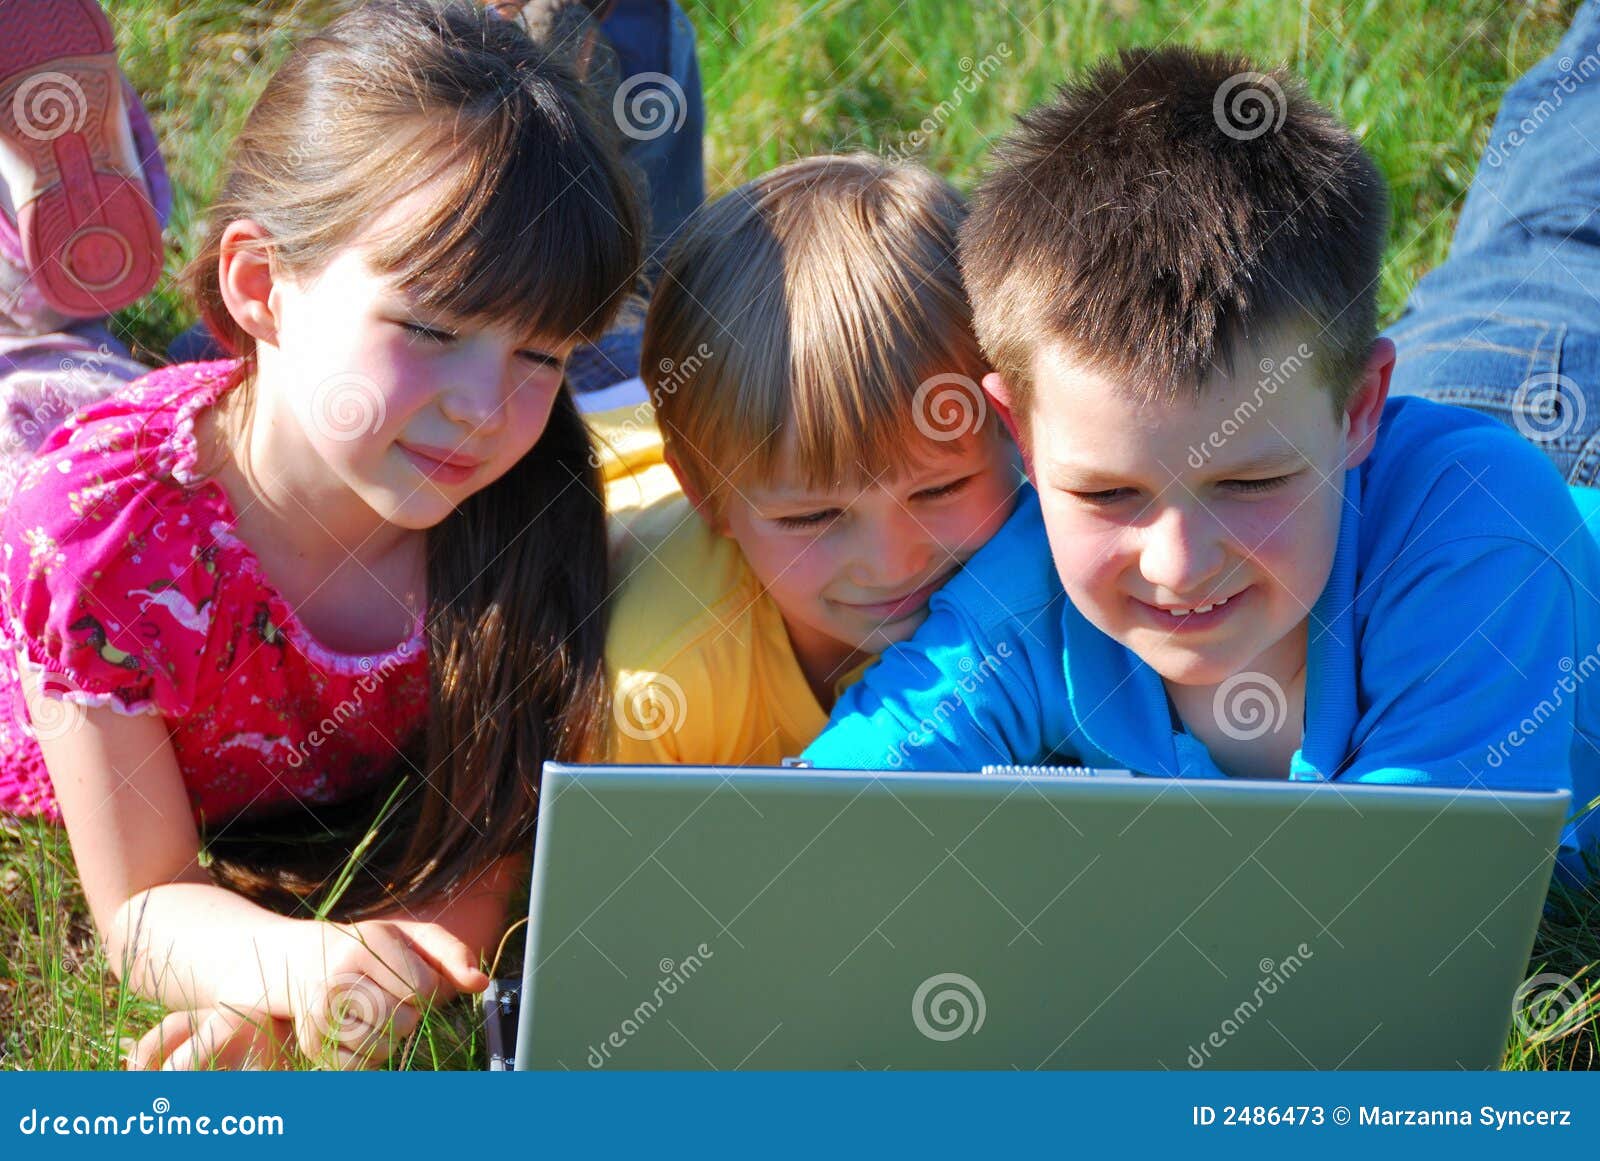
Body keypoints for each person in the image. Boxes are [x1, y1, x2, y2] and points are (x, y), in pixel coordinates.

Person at [0, 0, 642, 1068]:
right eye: (432, 327)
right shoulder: (90, 541)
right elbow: (145, 902)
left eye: (542, 353)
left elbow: (495, 842)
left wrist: (363, 977)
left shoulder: (531, 502)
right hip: (48, 502)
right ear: (261, 286)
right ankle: (47, 223)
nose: (485, 409)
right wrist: (300, 965)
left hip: (276, 405)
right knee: (35, 378)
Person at [801, 43, 1600, 890]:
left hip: (1558, 414)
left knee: (1561, 217)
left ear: (1361, 408)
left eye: (1249, 484)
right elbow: (825, 818)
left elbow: (1400, 901)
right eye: (1109, 492)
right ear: (1022, 438)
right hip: (1330, 404)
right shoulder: (1030, 582)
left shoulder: (1481, 553)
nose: (1178, 564)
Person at [603, 154, 1020, 765]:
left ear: (1021, 433)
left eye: (939, 490)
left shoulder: (1087, 556)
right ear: (706, 497)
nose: (891, 563)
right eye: (813, 517)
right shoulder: (659, 688)